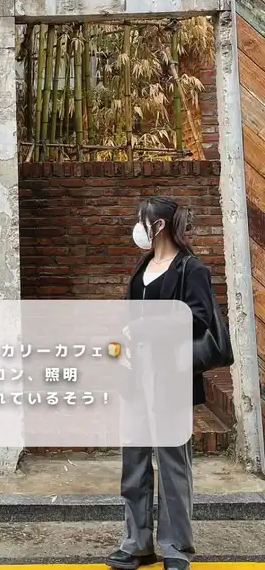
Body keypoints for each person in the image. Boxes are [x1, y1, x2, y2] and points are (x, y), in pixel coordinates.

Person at [105, 195, 215, 570]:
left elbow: (198, 317)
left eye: (141, 220)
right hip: (135, 376)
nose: (137, 227)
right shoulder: (143, 267)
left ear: (159, 225)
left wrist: (144, 328)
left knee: (172, 465)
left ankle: (175, 547)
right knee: (134, 462)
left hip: (171, 376)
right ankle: (137, 543)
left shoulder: (191, 269)